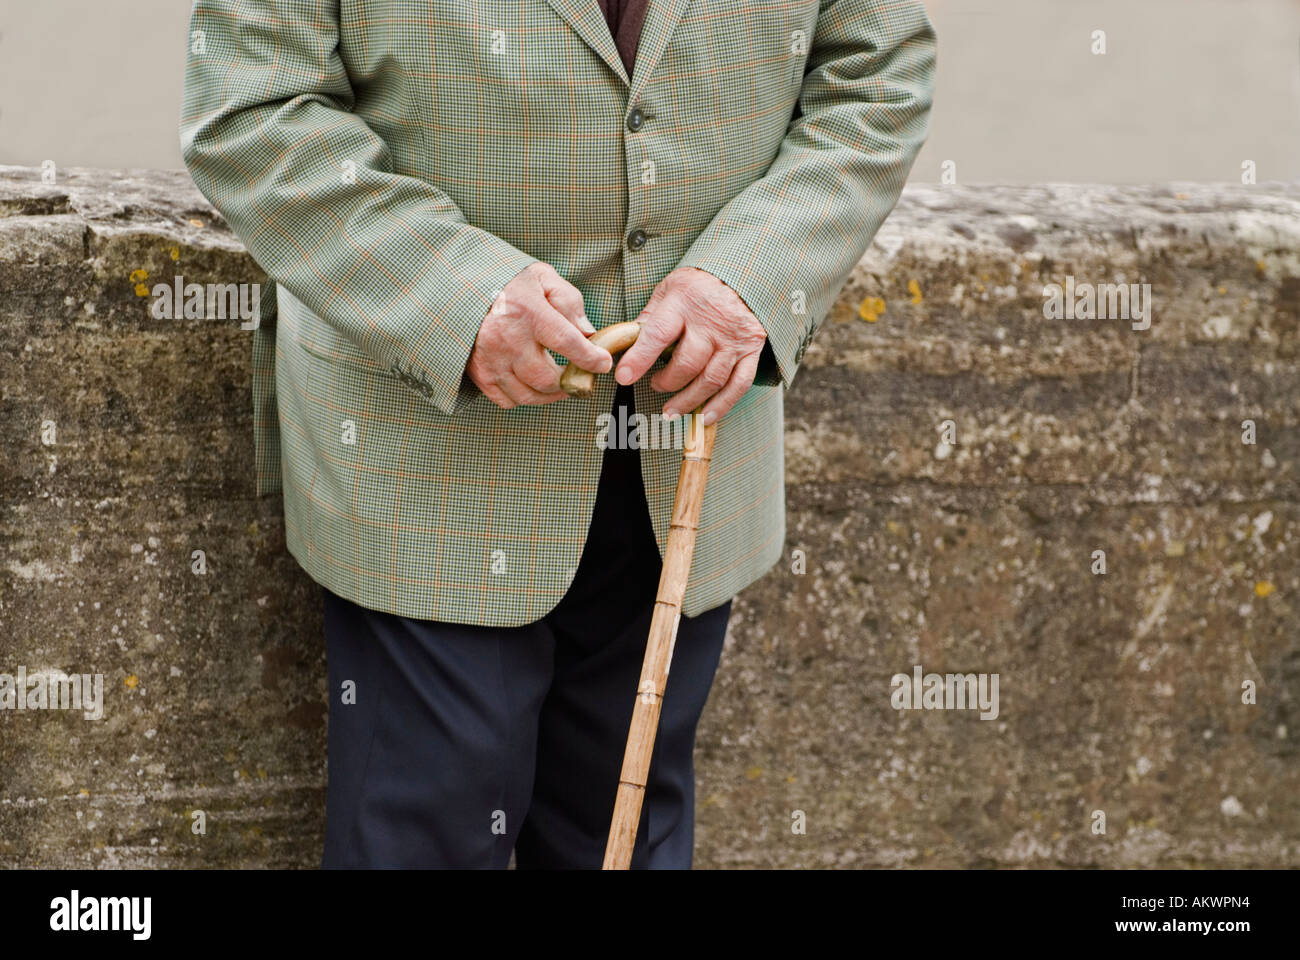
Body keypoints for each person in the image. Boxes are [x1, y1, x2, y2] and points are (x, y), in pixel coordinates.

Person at [179, 0, 935, 868]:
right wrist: (460, 296)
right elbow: (252, 109)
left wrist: (750, 276)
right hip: (422, 454)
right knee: (424, 840)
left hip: (686, 450)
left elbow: (876, 73)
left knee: (625, 844)